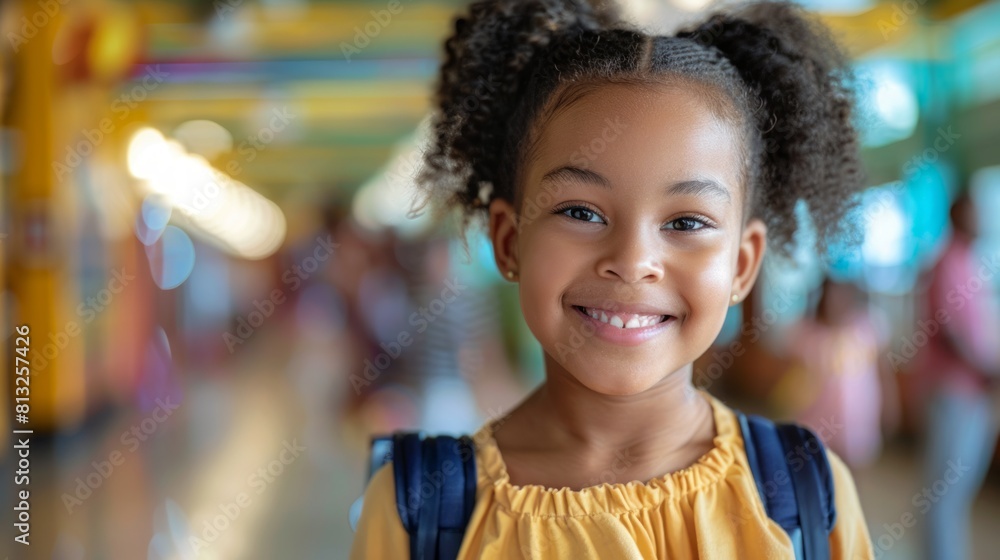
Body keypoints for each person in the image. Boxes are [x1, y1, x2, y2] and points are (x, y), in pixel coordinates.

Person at [351, 0, 874, 557]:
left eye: (687, 222)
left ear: (742, 265)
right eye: (581, 212)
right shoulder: (423, 510)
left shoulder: (806, 492)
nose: (632, 259)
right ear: (509, 240)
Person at [918, 191, 1000, 560]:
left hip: (975, 393)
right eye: (974, 211)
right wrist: (986, 369)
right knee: (945, 493)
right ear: (957, 215)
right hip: (953, 391)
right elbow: (950, 332)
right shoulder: (947, 263)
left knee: (960, 490)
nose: (981, 218)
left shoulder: (970, 262)